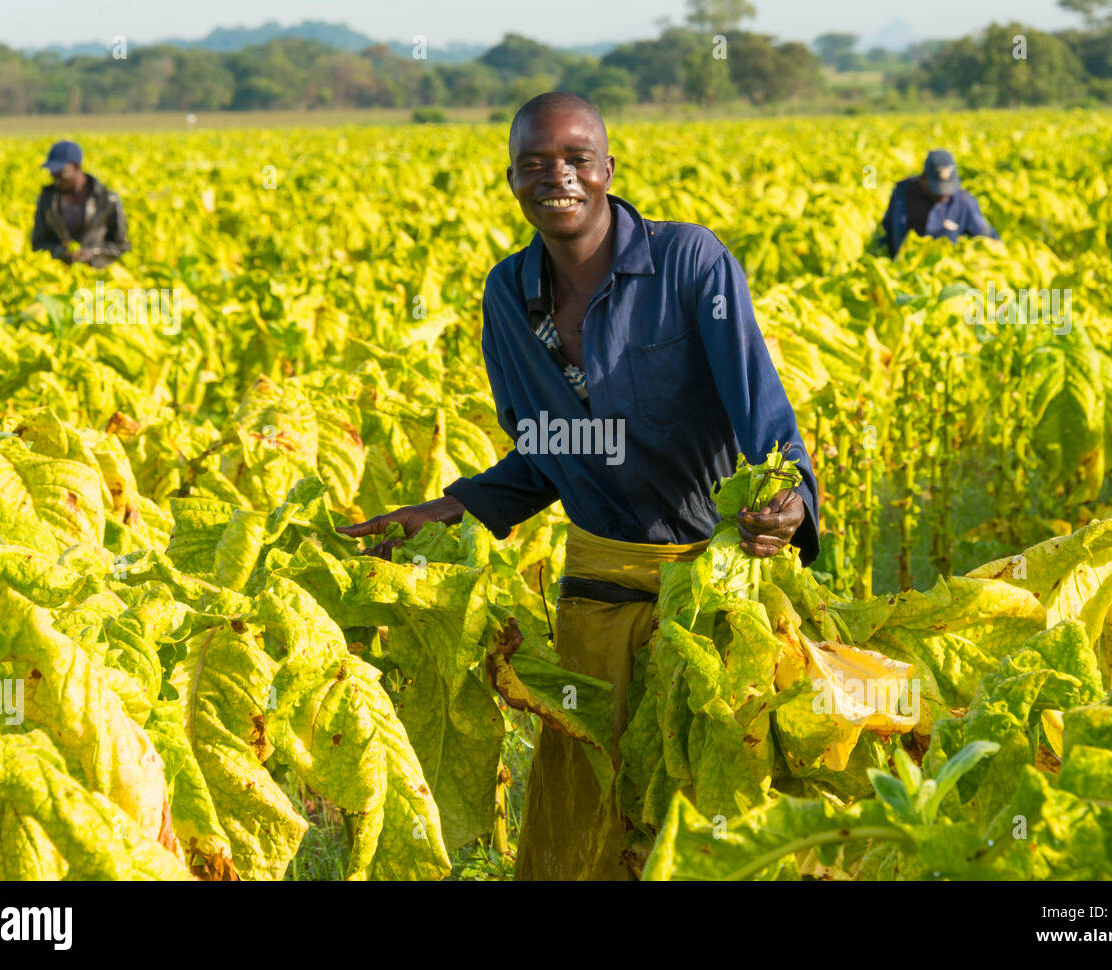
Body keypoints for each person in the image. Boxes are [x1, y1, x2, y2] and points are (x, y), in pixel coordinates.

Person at [338, 92, 820, 881]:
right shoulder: (507, 295)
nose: (556, 176)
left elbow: (767, 418)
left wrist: (790, 498)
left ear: (606, 171)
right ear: (513, 180)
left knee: (710, 811)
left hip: (715, 589)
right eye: (535, 164)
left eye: (574, 160)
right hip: (596, 592)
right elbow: (546, 453)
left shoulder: (689, 263)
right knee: (584, 812)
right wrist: (450, 511)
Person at [30, 140, 130, 269]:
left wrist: (93, 254)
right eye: (53, 174)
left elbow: (121, 246)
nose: (56, 179)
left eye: (61, 174)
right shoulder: (47, 200)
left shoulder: (107, 200)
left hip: (99, 276)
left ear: (77, 167)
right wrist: (58, 251)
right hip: (57, 276)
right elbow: (38, 244)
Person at [881, 149, 997, 257]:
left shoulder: (964, 202)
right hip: (901, 270)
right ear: (923, 179)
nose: (944, 194)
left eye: (948, 188)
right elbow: (887, 229)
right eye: (937, 189)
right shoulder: (902, 193)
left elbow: (989, 239)